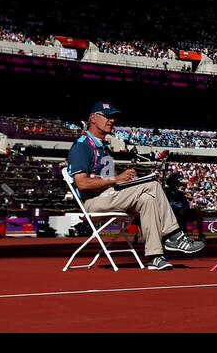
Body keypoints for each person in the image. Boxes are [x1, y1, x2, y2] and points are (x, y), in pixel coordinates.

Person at [67, 102, 205, 269]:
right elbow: (82, 183)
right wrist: (117, 179)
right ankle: (174, 235)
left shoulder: (104, 147)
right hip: (92, 201)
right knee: (153, 185)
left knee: (148, 198)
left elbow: (108, 180)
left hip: (108, 195)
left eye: (113, 117)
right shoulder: (82, 146)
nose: (112, 120)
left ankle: (155, 256)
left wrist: (127, 181)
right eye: (107, 116)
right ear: (93, 118)